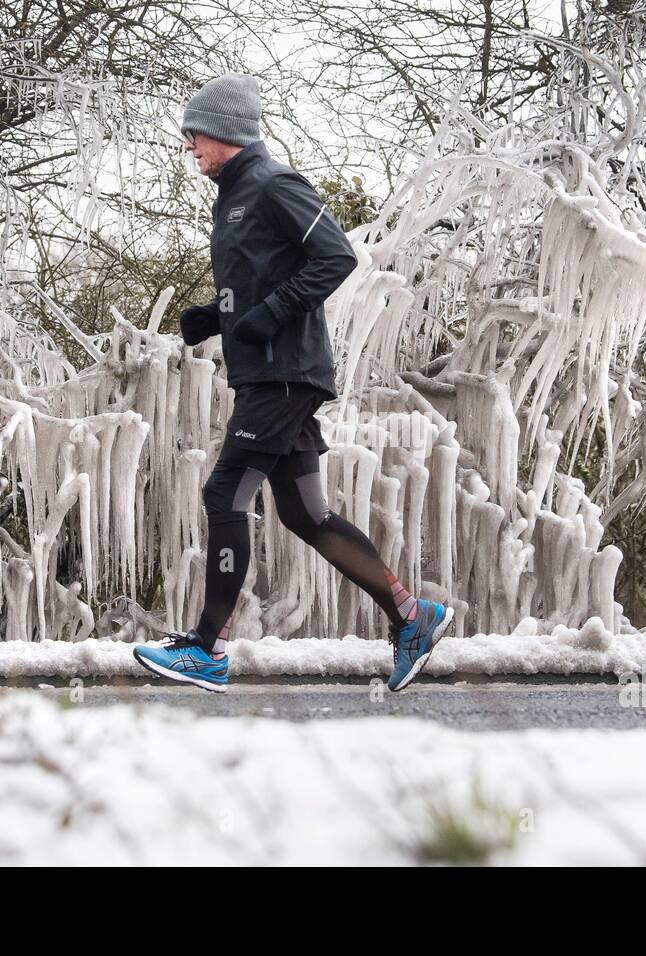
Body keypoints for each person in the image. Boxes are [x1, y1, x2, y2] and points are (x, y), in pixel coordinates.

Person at [133, 73, 454, 694]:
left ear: (224, 132)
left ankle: (208, 649)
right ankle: (413, 617)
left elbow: (335, 256)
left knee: (225, 495)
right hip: (270, 374)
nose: (188, 147)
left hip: (283, 377)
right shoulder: (234, 195)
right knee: (307, 514)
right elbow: (263, 280)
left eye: (193, 134)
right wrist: (217, 316)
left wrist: (269, 316)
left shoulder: (274, 184)